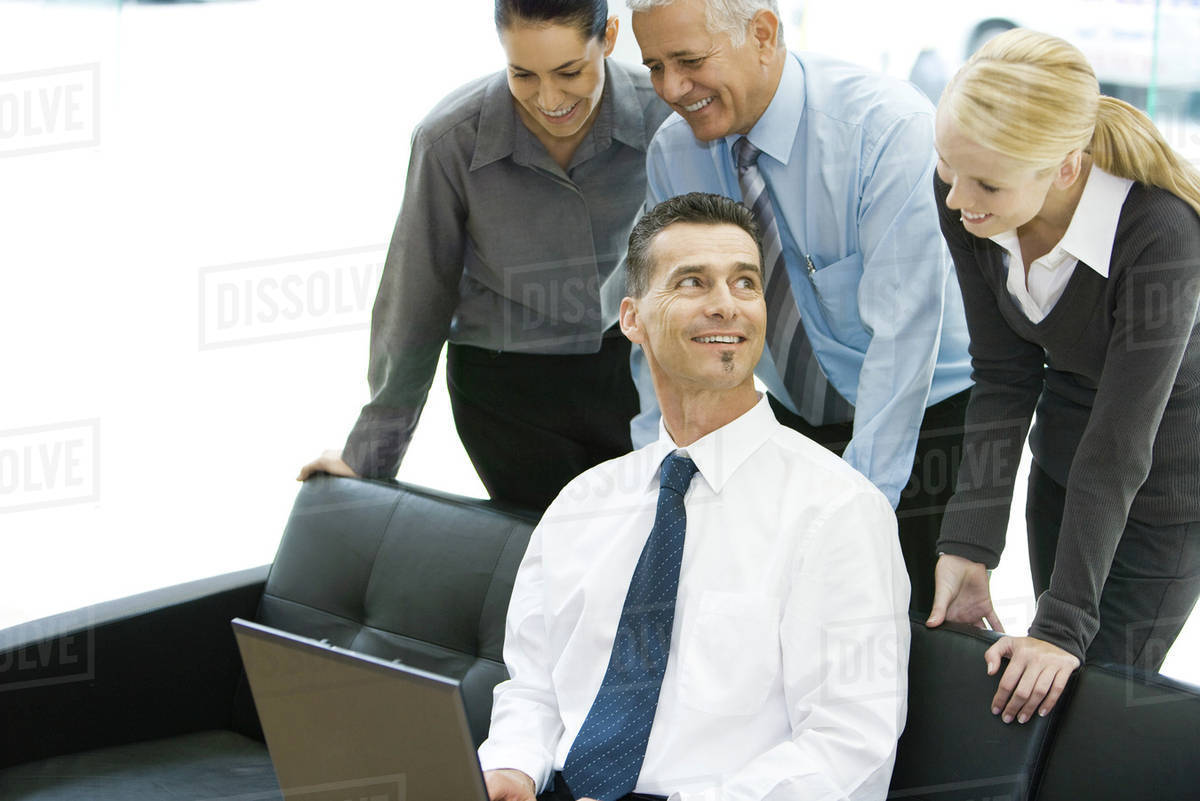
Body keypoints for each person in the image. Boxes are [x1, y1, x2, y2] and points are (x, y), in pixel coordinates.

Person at [479, 193, 909, 801]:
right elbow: (535, 688)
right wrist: (512, 769)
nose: (725, 306)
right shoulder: (582, 505)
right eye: (692, 282)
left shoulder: (838, 512)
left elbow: (848, 744)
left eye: (745, 283)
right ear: (631, 319)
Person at [616, 0, 974, 614]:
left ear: (762, 33)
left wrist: (855, 518)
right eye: (654, 67)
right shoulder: (674, 154)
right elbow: (665, 328)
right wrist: (662, 469)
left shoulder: (885, 131)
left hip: (927, 419)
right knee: (779, 626)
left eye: (690, 61)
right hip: (790, 414)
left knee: (901, 634)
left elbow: (903, 336)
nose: (671, 88)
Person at [926, 28, 1200, 726]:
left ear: (1067, 169)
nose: (958, 199)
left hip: (1166, 494)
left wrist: (1062, 623)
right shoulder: (968, 195)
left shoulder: (1161, 234)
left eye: (985, 182)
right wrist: (970, 542)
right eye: (948, 168)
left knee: (1100, 703)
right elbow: (1003, 373)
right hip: (1066, 467)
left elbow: (1122, 438)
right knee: (1044, 699)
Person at [297, 0, 670, 510]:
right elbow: (415, 301)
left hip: (624, 368)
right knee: (554, 554)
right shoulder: (447, 140)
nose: (549, 97)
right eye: (523, 74)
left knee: (640, 547)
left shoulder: (665, 117)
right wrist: (369, 457)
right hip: (503, 389)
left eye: (569, 71)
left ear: (607, 38)